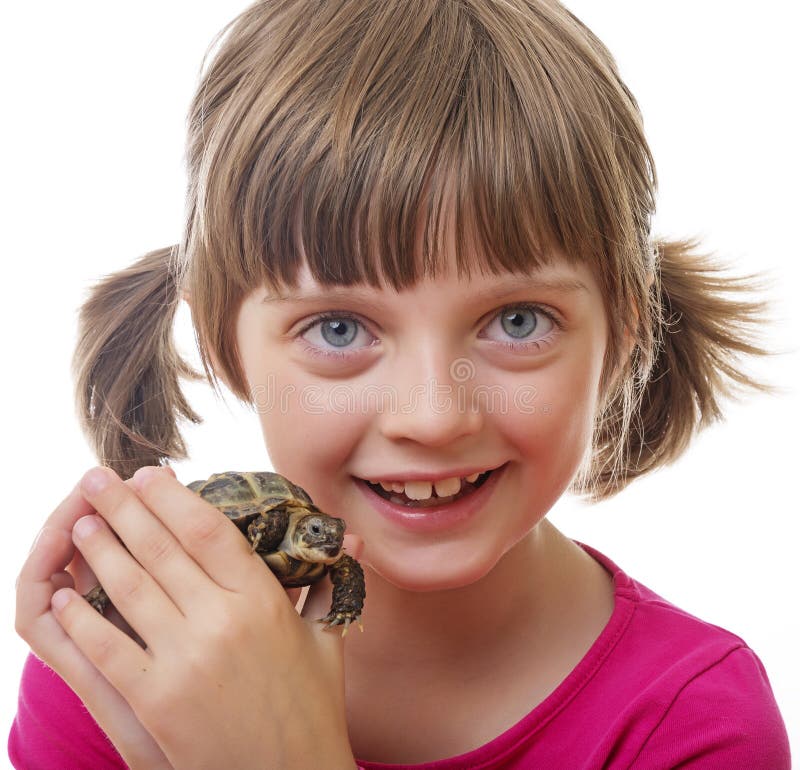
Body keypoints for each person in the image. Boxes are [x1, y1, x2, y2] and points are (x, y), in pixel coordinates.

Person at [10, 0, 791, 767]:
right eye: (338, 329)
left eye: (518, 320)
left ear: (625, 331)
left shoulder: (693, 727)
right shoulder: (125, 656)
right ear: (225, 346)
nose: (432, 416)